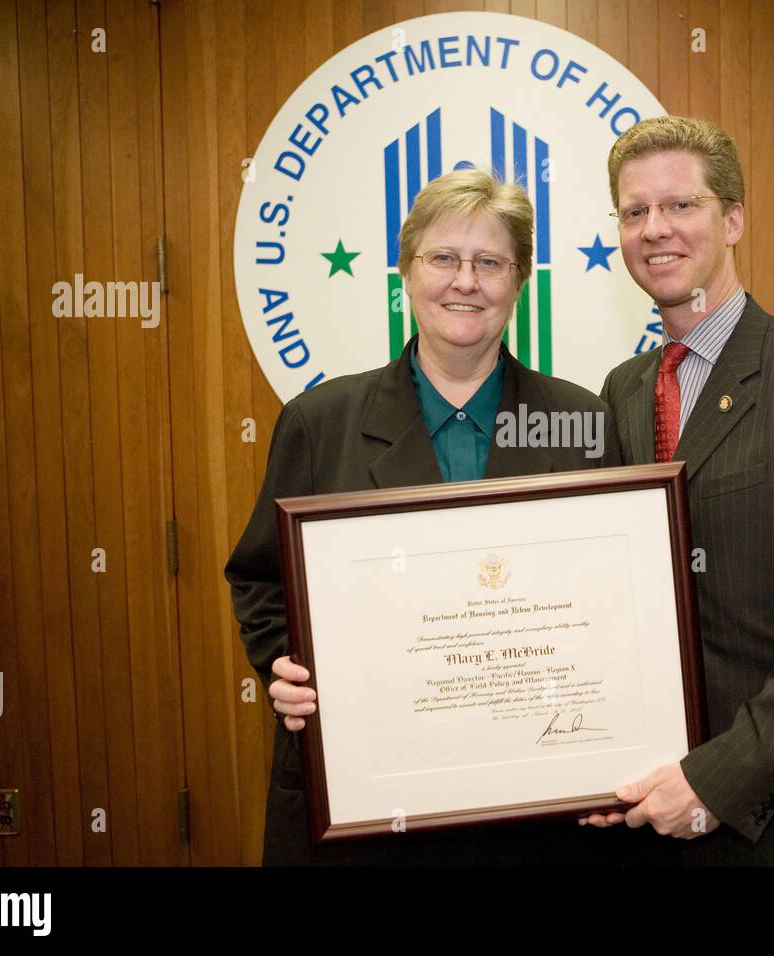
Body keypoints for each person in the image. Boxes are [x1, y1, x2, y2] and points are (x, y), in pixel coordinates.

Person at [225, 167, 624, 865]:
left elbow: (615, 602)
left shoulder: (581, 421)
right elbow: (260, 581)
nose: (464, 281)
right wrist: (282, 666)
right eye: (442, 258)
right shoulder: (320, 424)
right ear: (405, 273)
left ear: (520, 283)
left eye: (490, 262)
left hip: (536, 810)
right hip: (369, 807)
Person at [585, 116, 774, 865]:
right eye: (634, 212)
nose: (655, 229)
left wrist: (714, 784)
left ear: (733, 220)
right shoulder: (623, 390)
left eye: (680, 205)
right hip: (655, 805)